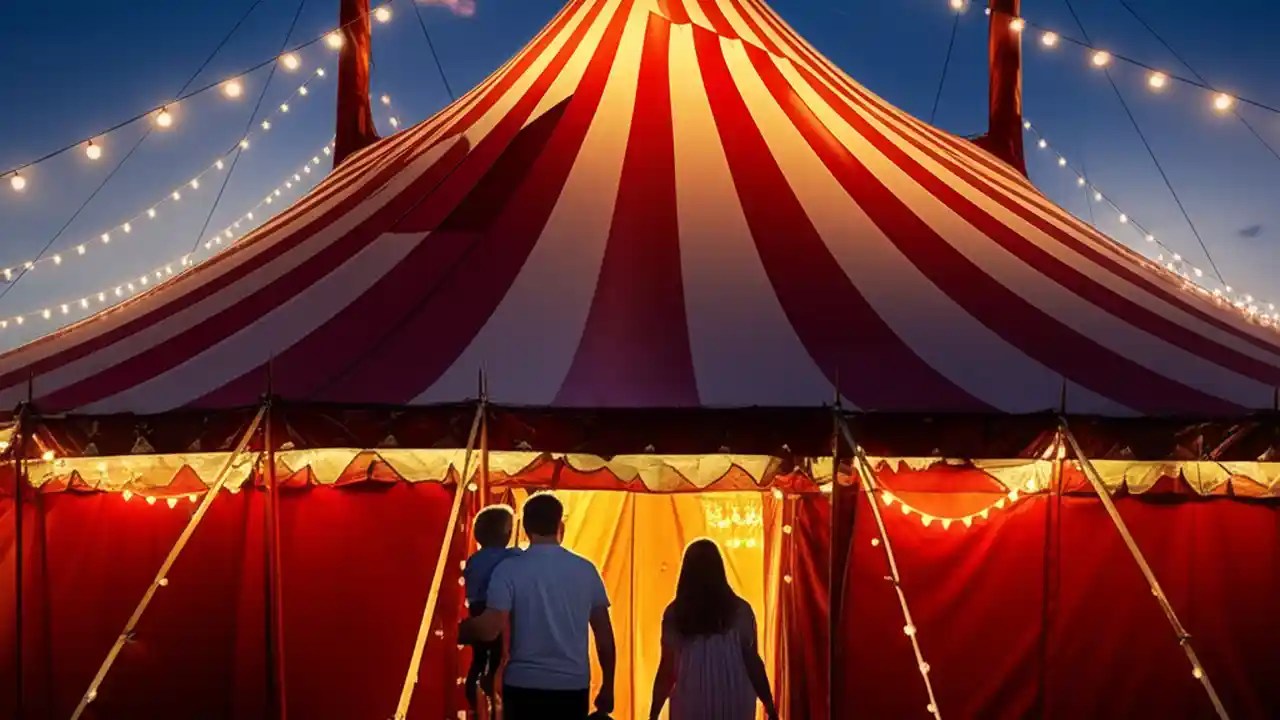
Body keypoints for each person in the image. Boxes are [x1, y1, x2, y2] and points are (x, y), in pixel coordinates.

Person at [462, 493, 616, 720]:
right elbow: (604, 637)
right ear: (560, 526)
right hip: (572, 686)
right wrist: (608, 685)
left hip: (523, 685)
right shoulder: (586, 570)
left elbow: (490, 628)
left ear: (524, 528)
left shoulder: (509, 570)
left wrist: (458, 631)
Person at [649, 539, 778, 720]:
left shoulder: (676, 613)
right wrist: (769, 705)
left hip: (691, 701)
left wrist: (653, 713)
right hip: (735, 698)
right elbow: (753, 662)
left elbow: (667, 669)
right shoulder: (740, 610)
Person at [461, 505, 521, 713]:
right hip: (495, 607)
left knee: (479, 655)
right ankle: (491, 682)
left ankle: (474, 687)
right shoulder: (510, 556)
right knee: (498, 654)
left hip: (477, 606)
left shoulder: (475, 559)